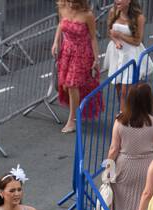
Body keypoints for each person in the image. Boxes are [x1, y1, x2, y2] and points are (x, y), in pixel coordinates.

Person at [105, 82, 153, 210]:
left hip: (125, 167)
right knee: (145, 206)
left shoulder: (120, 120)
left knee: (122, 208)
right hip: (148, 168)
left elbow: (113, 149)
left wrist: (108, 171)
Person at [52, 0, 102, 133]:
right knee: (67, 85)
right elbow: (60, 24)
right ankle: (76, 112)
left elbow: (93, 38)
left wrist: (96, 59)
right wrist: (56, 42)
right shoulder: (62, 7)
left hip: (82, 54)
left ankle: (72, 120)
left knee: (72, 84)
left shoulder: (88, 15)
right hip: (66, 51)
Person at [102, 0, 153, 100]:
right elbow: (110, 32)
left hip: (130, 55)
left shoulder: (139, 17)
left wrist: (120, 35)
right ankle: (124, 112)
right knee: (118, 88)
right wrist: (116, 41)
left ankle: (128, 114)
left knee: (126, 91)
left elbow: (137, 41)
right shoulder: (113, 11)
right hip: (116, 53)